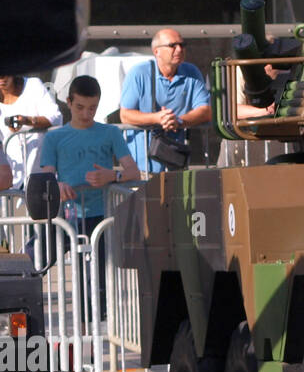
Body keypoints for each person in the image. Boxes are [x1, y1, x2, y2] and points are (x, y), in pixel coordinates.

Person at [37, 76, 142, 313]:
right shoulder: (54, 137)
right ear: (69, 102)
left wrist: (111, 176)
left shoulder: (110, 132)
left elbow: (132, 171)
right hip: (64, 216)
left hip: (98, 216)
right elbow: (47, 175)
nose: (86, 114)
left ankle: (90, 332)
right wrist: (57, 185)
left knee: (94, 280)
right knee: (38, 259)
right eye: (80, 107)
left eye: (92, 108)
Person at [118, 29, 211, 175]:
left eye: (182, 45)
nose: (179, 49)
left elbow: (205, 111)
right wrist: (157, 118)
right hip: (141, 169)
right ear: (157, 51)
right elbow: (125, 115)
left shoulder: (192, 72)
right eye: (172, 45)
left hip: (176, 166)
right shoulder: (139, 73)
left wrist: (179, 121)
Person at [0, 73, 63, 189]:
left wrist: (26, 120)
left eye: (4, 72)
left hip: (41, 181)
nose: (2, 78)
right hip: (10, 188)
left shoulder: (33, 85)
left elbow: (56, 117)